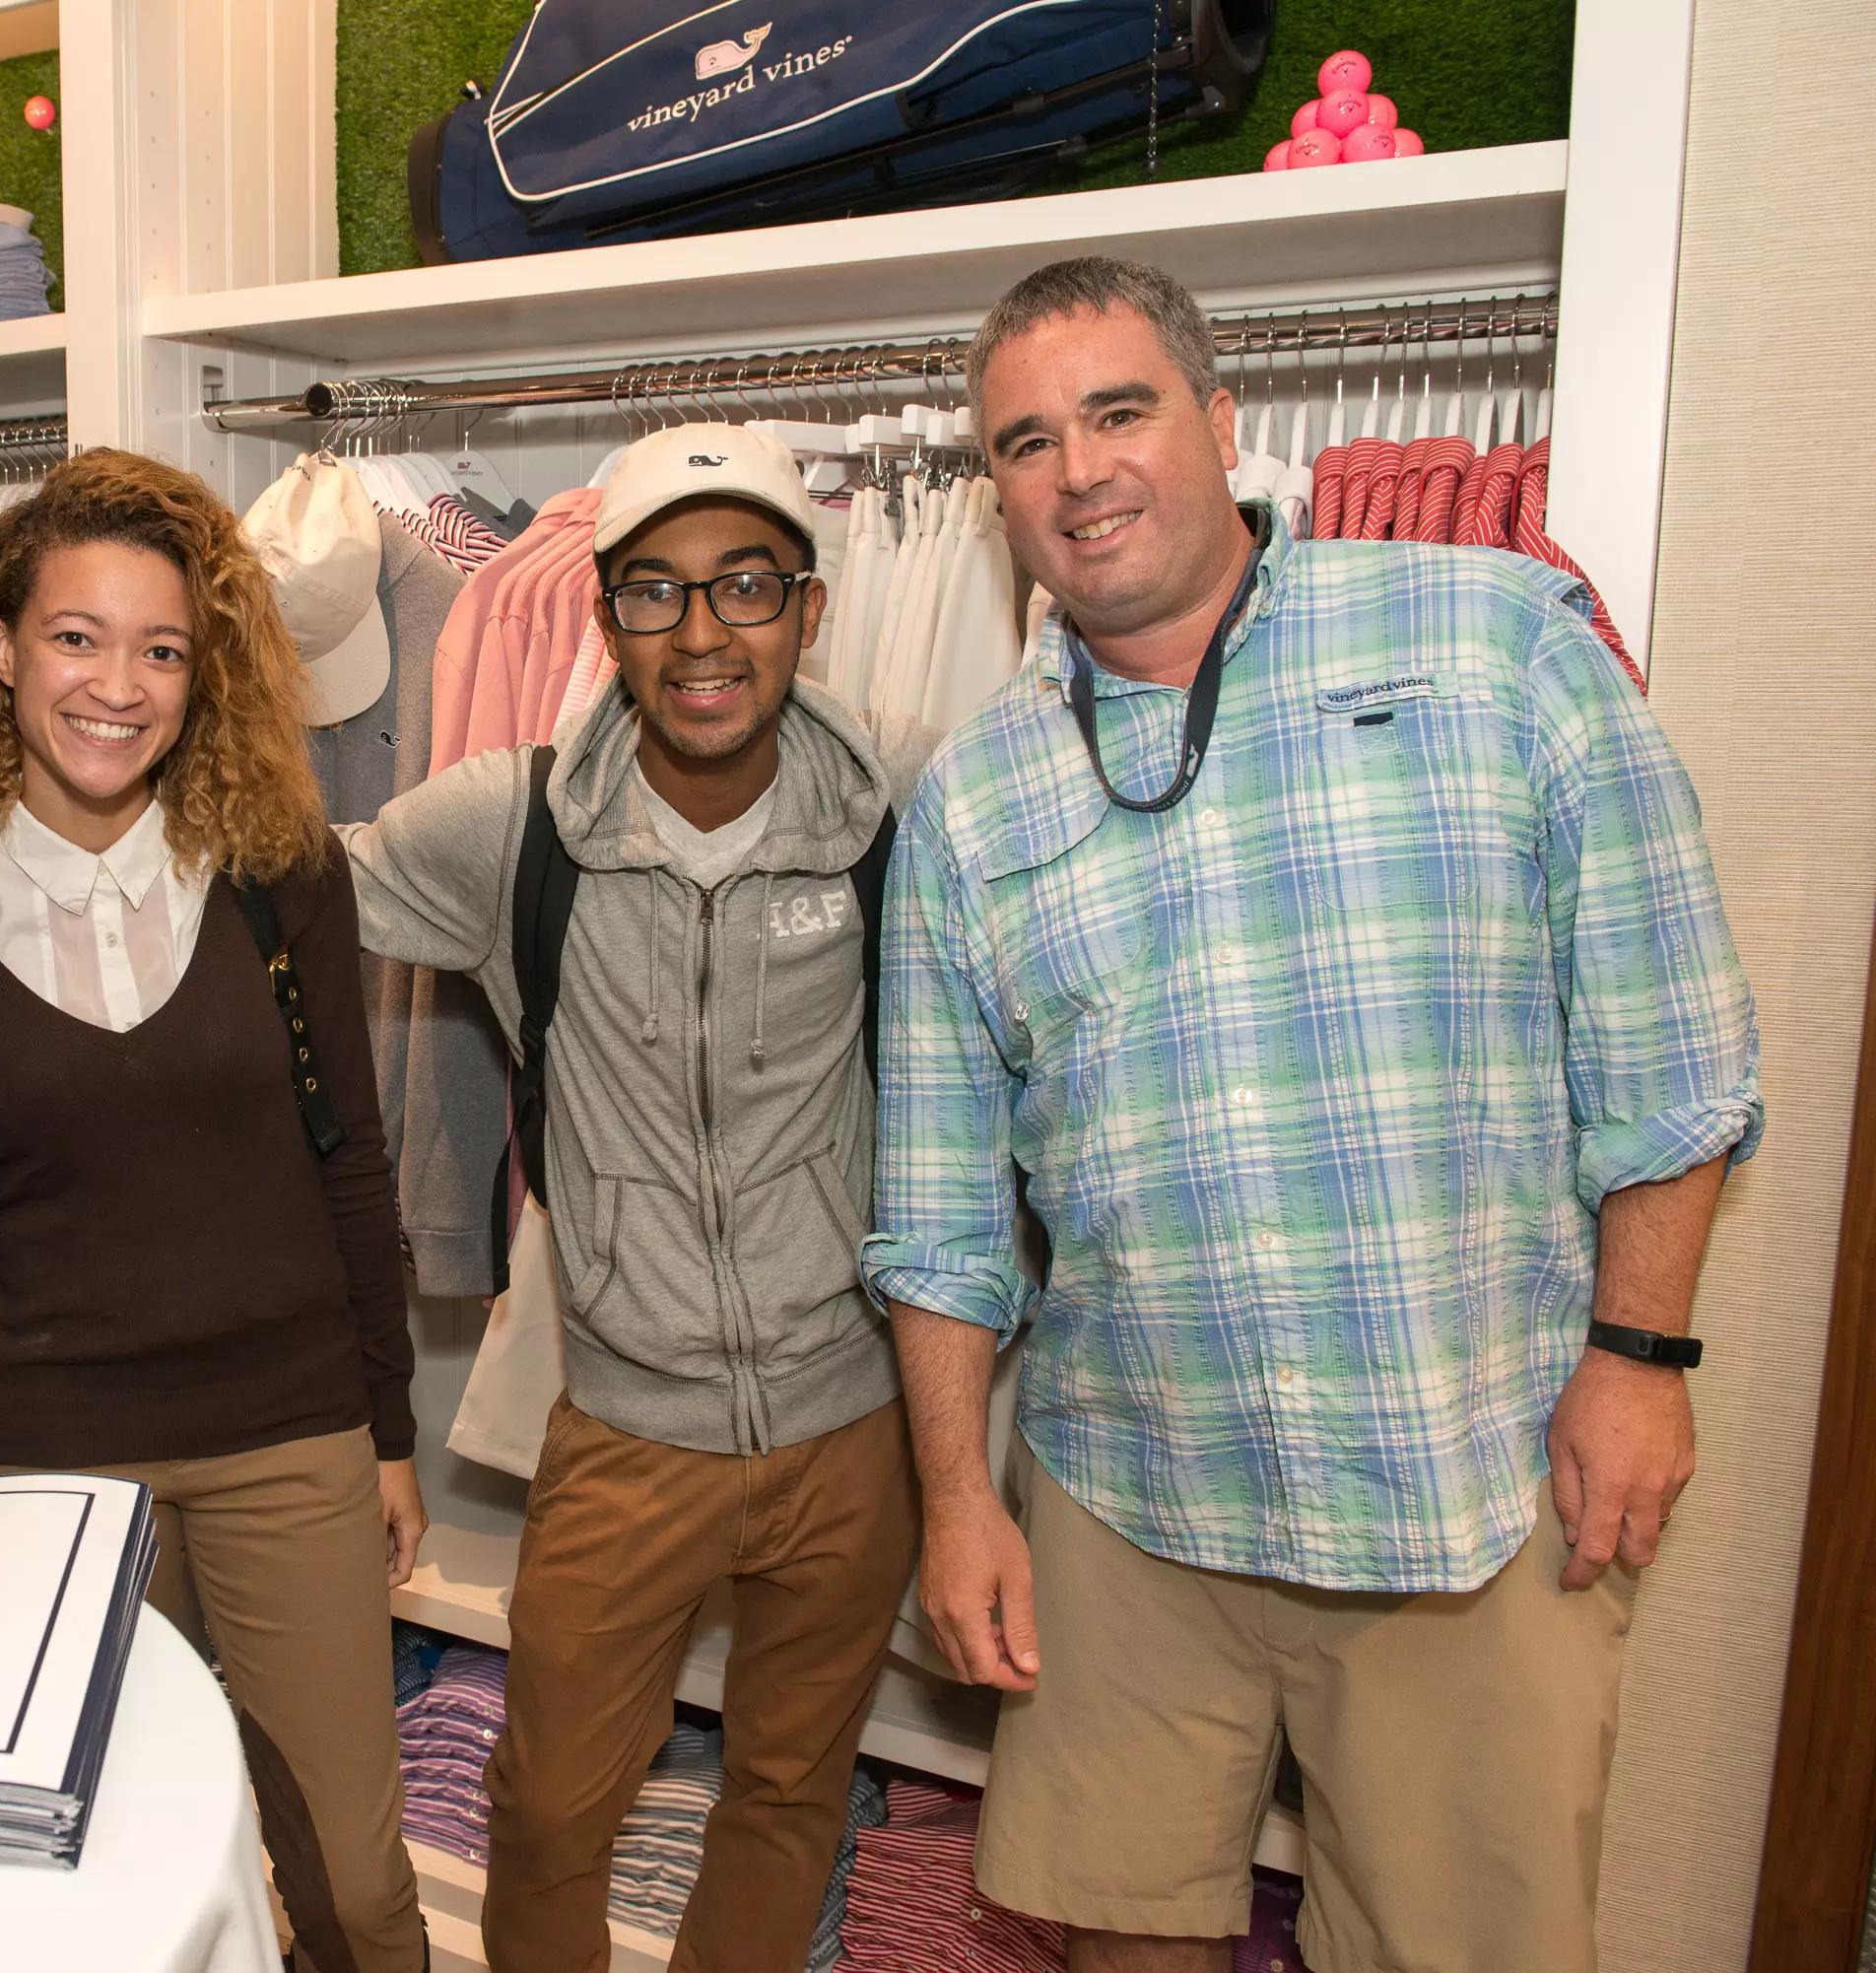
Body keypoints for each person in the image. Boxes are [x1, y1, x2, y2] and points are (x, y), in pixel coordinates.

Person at [868, 256, 1761, 1973]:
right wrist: (959, 1498)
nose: (1079, 469)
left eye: (1120, 412)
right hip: (1129, 1491)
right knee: (1115, 1935)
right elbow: (941, 1214)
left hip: (1463, 1478)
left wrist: (1642, 1361)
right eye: (1026, 442)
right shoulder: (975, 795)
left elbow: (1672, 1048)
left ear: (1221, 421)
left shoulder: (1493, 642)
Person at [343, 423, 918, 1973]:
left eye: (746, 585)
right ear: (604, 621)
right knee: (545, 1808)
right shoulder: (510, 824)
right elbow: (285, 889)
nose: (704, 633)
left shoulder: (901, 825)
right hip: (624, 1426)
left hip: (853, 1425)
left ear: (808, 607)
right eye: (656, 593)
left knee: (793, 1792)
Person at [0, 449, 426, 1972]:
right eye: (78, 636)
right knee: (110, 1892)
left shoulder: (280, 878)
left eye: (163, 646)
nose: (118, 683)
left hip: (289, 1434)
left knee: (359, 1892)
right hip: (44, 1464)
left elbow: (352, 1160)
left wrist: (386, 1429)